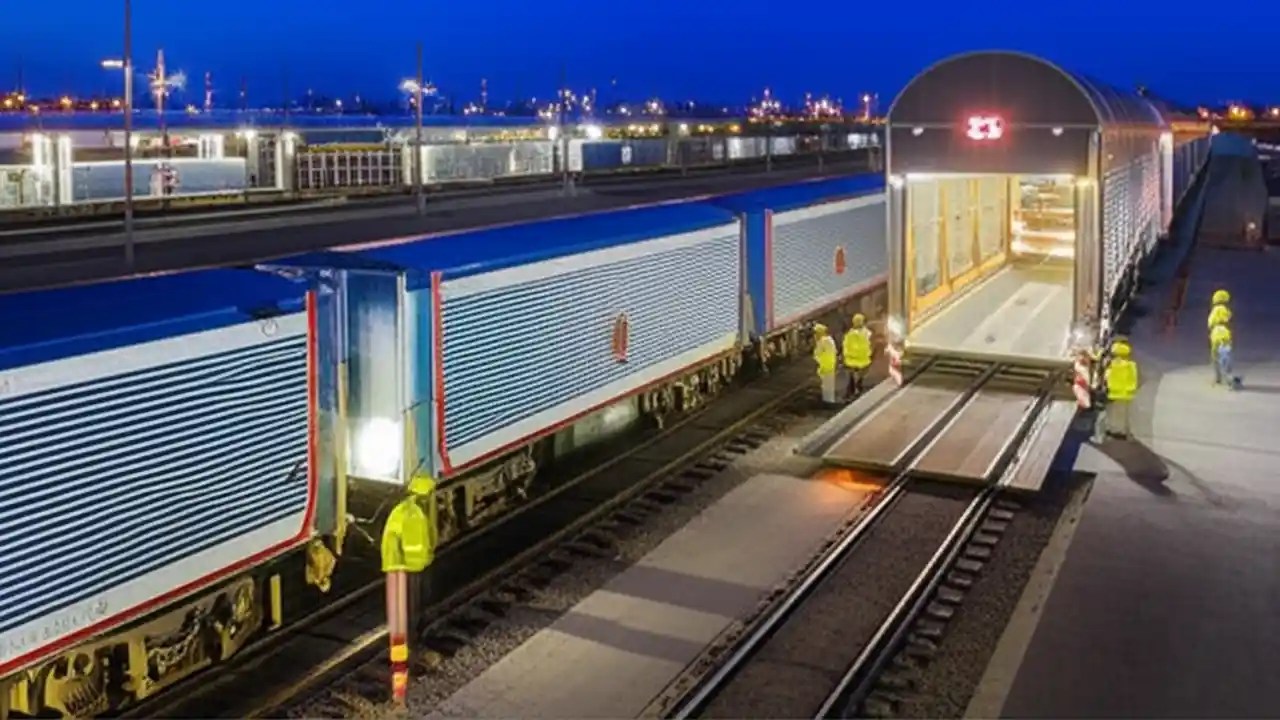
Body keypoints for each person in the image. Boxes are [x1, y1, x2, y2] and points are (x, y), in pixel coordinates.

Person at [1104, 338, 1138, 439]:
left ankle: (1112, 429)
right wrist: (1132, 389)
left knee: (1112, 412)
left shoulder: (1111, 364)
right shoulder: (1131, 365)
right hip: (1126, 393)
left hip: (1113, 392)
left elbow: (1107, 376)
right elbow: (1134, 378)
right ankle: (1122, 431)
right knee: (1123, 414)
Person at [842, 313, 873, 398]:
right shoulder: (852, 334)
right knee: (854, 376)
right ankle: (854, 390)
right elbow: (846, 346)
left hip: (859, 360)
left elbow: (846, 346)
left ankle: (856, 389)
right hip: (855, 360)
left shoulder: (865, 334)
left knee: (856, 376)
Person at [813, 323, 839, 404]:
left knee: (826, 385)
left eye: (816, 333)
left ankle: (827, 401)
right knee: (830, 384)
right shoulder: (830, 339)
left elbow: (817, 353)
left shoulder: (822, 341)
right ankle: (830, 400)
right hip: (831, 364)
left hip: (825, 365)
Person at [1210, 321, 1239, 389]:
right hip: (1226, 348)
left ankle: (1219, 379)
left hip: (1219, 349)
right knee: (1227, 367)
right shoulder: (1226, 330)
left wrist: (1213, 353)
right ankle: (1229, 380)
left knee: (1217, 363)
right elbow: (1229, 340)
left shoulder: (1215, 331)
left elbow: (1214, 343)